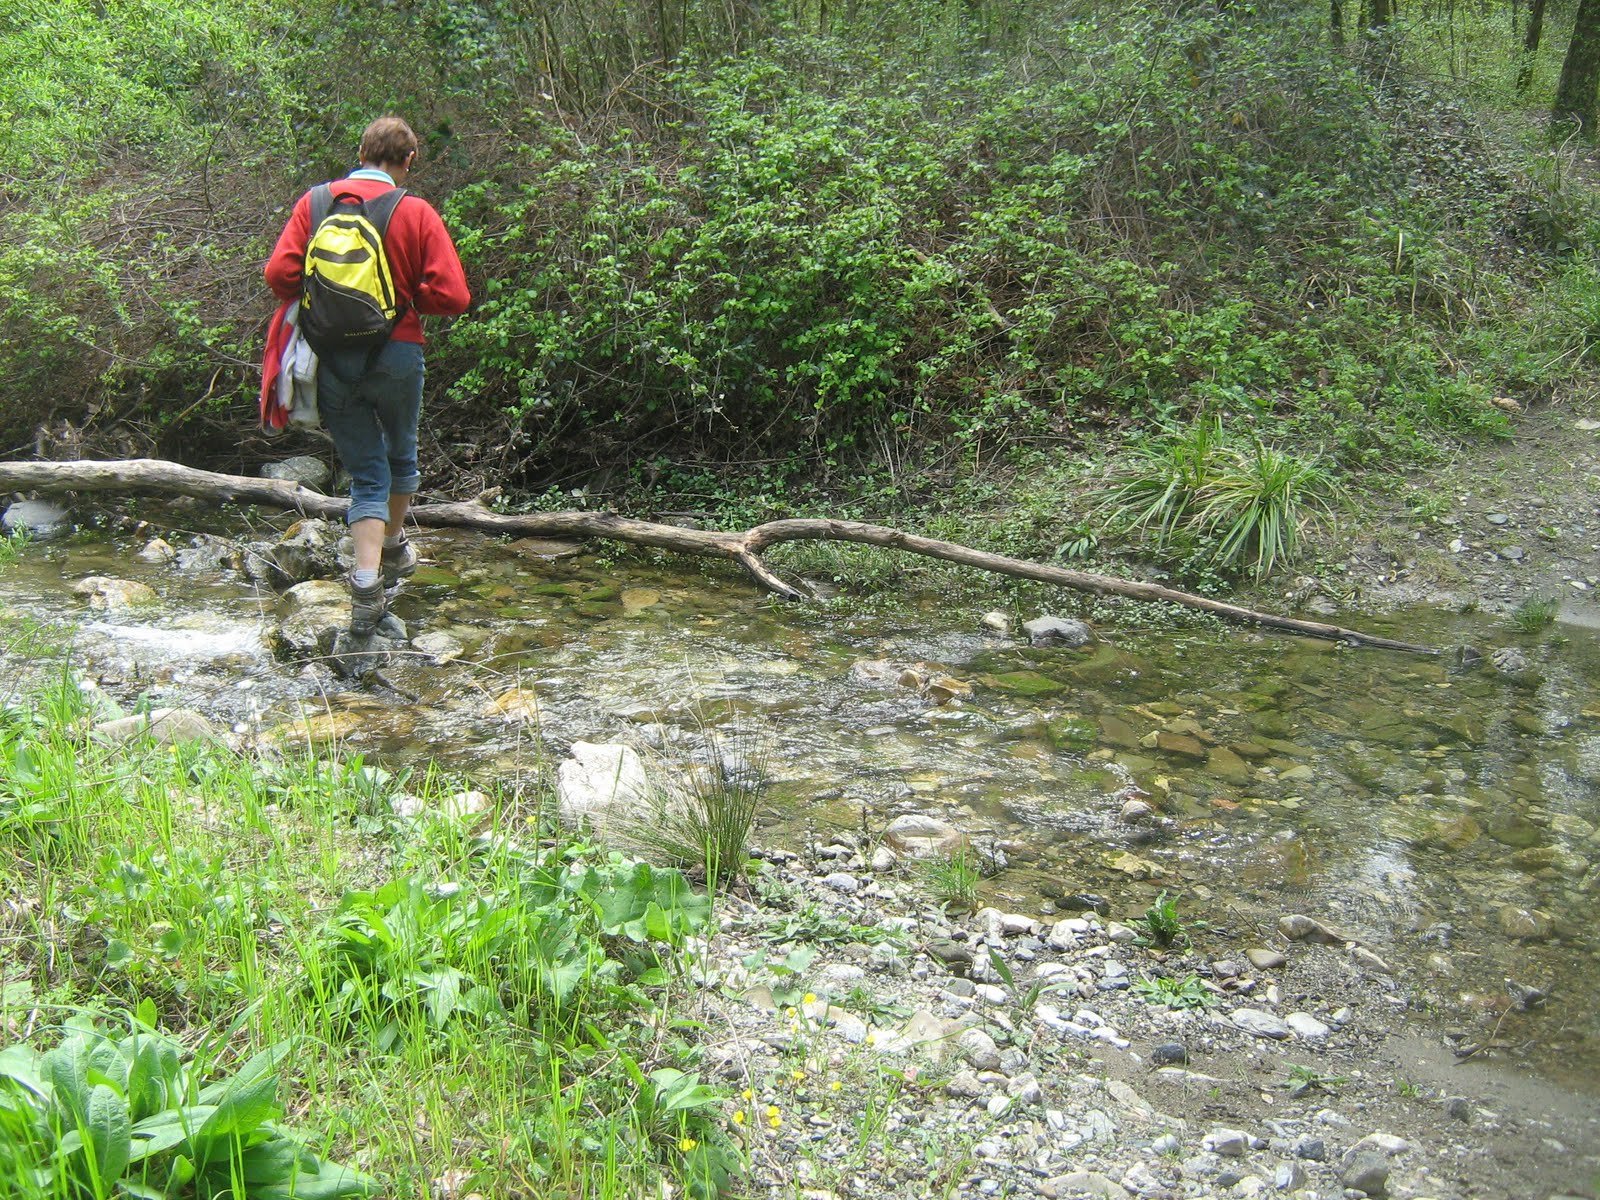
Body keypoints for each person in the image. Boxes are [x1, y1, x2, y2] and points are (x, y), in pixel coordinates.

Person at [265, 116, 471, 634]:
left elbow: (279, 277)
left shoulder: (315, 204)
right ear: (409, 161)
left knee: (366, 475)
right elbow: (453, 297)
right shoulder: (415, 211)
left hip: (333, 360)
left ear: (359, 150)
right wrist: (402, 300)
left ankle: (364, 579)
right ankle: (395, 545)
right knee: (401, 454)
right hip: (399, 352)